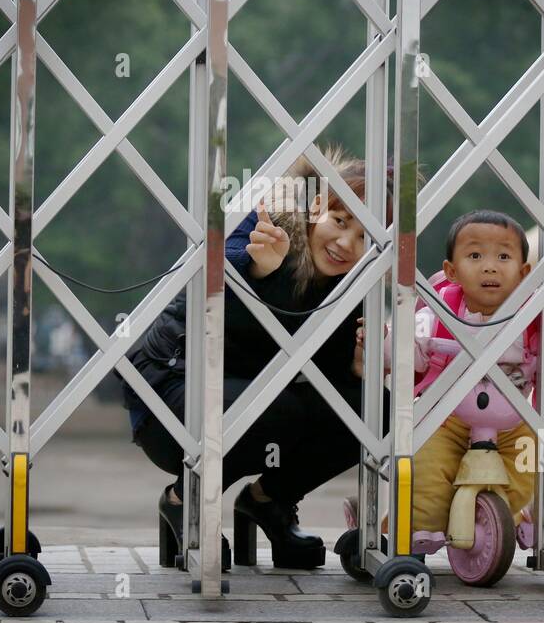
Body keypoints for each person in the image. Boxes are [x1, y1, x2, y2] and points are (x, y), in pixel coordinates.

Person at [120, 146, 388, 569]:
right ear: (317, 204)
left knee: (375, 408)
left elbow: (323, 378)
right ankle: (184, 499)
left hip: (256, 404)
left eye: (365, 238)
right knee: (277, 410)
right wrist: (256, 269)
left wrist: (356, 368)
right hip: (173, 391)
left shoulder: (354, 285)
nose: (344, 244)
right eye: (340, 222)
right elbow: (202, 288)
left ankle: (268, 501)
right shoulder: (268, 217)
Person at [352, 210, 544, 552]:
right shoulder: (438, 312)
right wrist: (382, 342)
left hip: (514, 420)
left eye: (504, 256)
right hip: (447, 418)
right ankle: (422, 526)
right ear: (451, 271)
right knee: (425, 466)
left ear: (525, 272)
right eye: (475, 256)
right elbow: (408, 351)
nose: (490, 266)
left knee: (529, 467)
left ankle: (508, 515)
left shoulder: (536, 318)